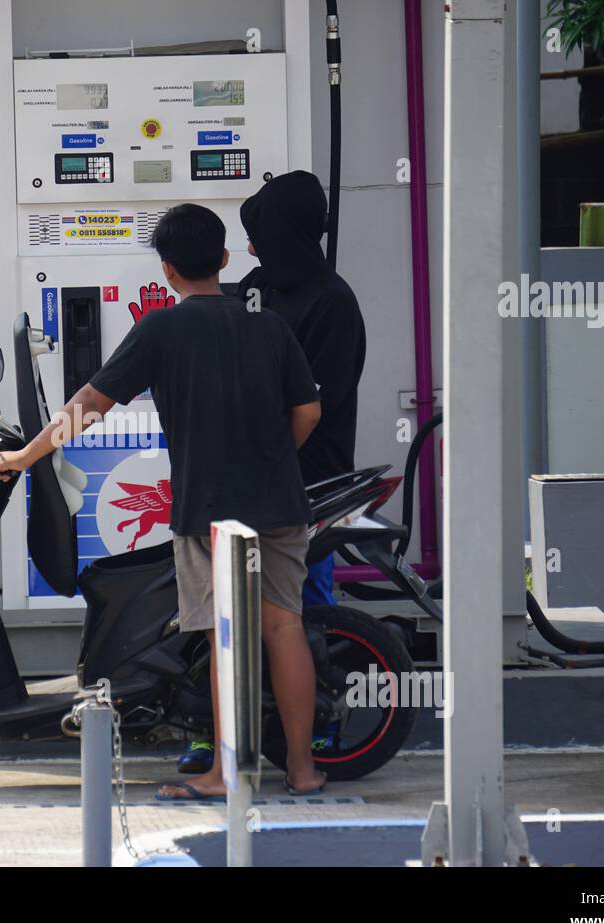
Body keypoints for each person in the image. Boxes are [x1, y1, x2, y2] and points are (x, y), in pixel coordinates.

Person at [0, 203, 328, 799]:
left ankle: (226, 774)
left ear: (167, 271)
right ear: (224, 259)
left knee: (229, 634)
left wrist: (23, 458)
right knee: (283, 627)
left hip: (208, 510)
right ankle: (302, 770)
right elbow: (309, 411)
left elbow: (88, 407)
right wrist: (274, 460)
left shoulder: (160, 329)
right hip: (279, 504)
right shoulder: (267, 323)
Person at [177, 170, 368, 775]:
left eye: (259, 233)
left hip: (308, 481)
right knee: (218, 616)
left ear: (284, 234)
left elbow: (315, 404)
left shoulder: (333, 303)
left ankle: (312, 738)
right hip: (244, 477)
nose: (251, 246)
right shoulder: (259, 286)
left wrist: (267, 459)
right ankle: (214, 731)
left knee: (300, 613)